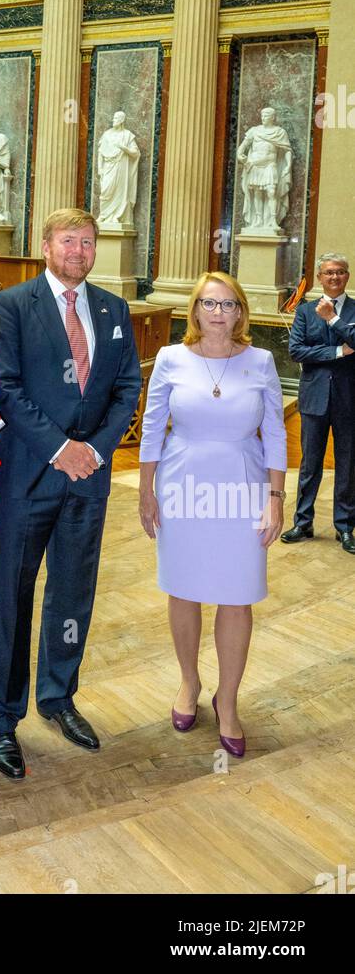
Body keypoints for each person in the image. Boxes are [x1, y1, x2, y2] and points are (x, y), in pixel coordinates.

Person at [0, 208, 141, 778]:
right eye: (68, 240)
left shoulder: (113, 309)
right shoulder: (12, 306)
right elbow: (4, 386)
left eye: (88, 241)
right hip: (29, 475)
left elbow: (127, 388)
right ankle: (1, 718)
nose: (79, 250)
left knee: (73, 593)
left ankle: (58, 697)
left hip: (88, 478)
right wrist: (59, 448)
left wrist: (94, 450)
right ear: (44, 245)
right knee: (10, 596)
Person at [138, 272, 288, 758]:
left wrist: (276, 496)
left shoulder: (261, 361)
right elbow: (153, 426)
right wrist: (146, 491)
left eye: (228, 304)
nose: (218, 313)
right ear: (195, 309)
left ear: (241, 312)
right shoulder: (170, 358)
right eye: (209, 303)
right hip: (183, 485)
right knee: (183, 589)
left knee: (236, 593)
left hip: (242, 485)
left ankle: (229, 698)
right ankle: (188, 682)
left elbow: (276, 435)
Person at [283, 253, 355, 552]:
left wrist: (334, 320)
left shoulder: (353, 309)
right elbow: (297, 351)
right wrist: (338, 352)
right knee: (309, 463)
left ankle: (345, 527)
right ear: (319, 277)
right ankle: (303, 522)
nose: (334, 277)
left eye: (339, 272)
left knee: (348, 464)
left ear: (347, 276)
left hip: (349, 398)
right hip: (314, 397)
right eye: (328, 273)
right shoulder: (304, 311)